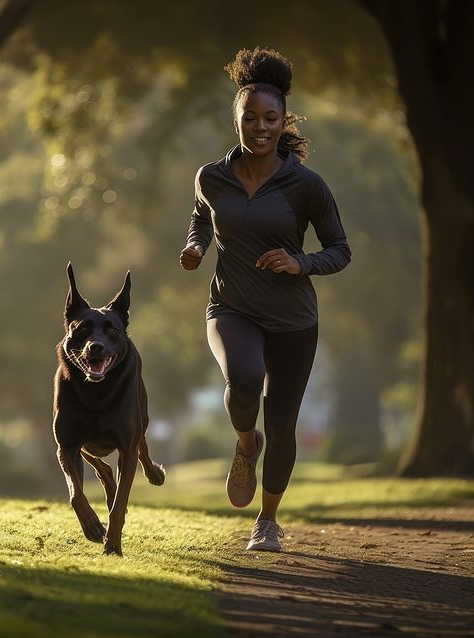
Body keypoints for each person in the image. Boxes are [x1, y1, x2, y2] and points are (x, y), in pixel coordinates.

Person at [179, 47, 351, 552]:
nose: (259, 127)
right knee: (245, 378)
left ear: (283, 122)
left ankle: (267, 521)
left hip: (294, 319)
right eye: (249, 118)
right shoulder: (211, 176)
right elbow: (200, 216)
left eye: (270, 119)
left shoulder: (306, 185)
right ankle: (243, 443)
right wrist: (195, 246)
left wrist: (302, 262)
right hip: (230, 305)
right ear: (235, 119)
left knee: (282, 424)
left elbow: (340, 249)